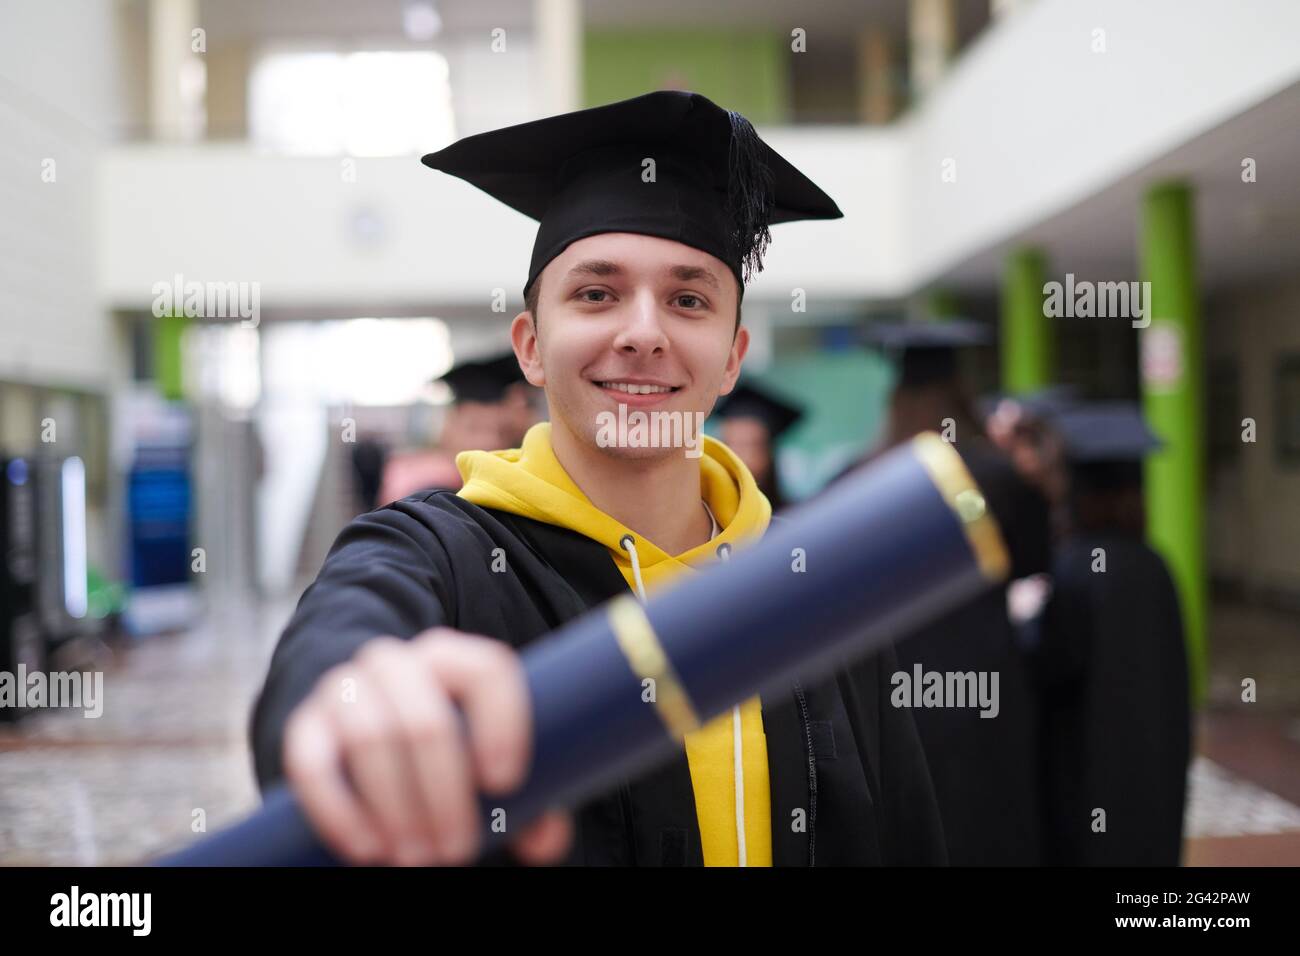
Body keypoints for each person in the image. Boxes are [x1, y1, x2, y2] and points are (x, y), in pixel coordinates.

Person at [249, 91, 945, 867]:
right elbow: (345, 632)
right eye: (596, 294)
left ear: (733, 358)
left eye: (687, 299)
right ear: (531, 347)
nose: (643, 333)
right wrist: (351, 697)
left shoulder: (813, 588)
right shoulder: (441, 556)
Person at [832, 319, 1052, 865]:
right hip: (986, 682)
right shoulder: (1002, 479)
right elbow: (1034, 567)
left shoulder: (857, 481)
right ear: (961, 393)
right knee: (990, 823)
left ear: (896, 396)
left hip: (895, 687)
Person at [1025, 402, 1191, 865]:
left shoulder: (1075, 568)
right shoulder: (1156, 565)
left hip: (1090, 774)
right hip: (1153, 768)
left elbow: (1051, 666)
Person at [376, 354, 520, 504]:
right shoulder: (424, 487)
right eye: (474, 428)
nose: (489, 442)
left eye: (501, 432)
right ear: (448, 426)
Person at [710, 379, 804, 511]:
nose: (737, 458)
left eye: (747, 446)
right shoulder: (705, 517)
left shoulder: (792, 518)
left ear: (768, 455)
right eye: (728, 445)